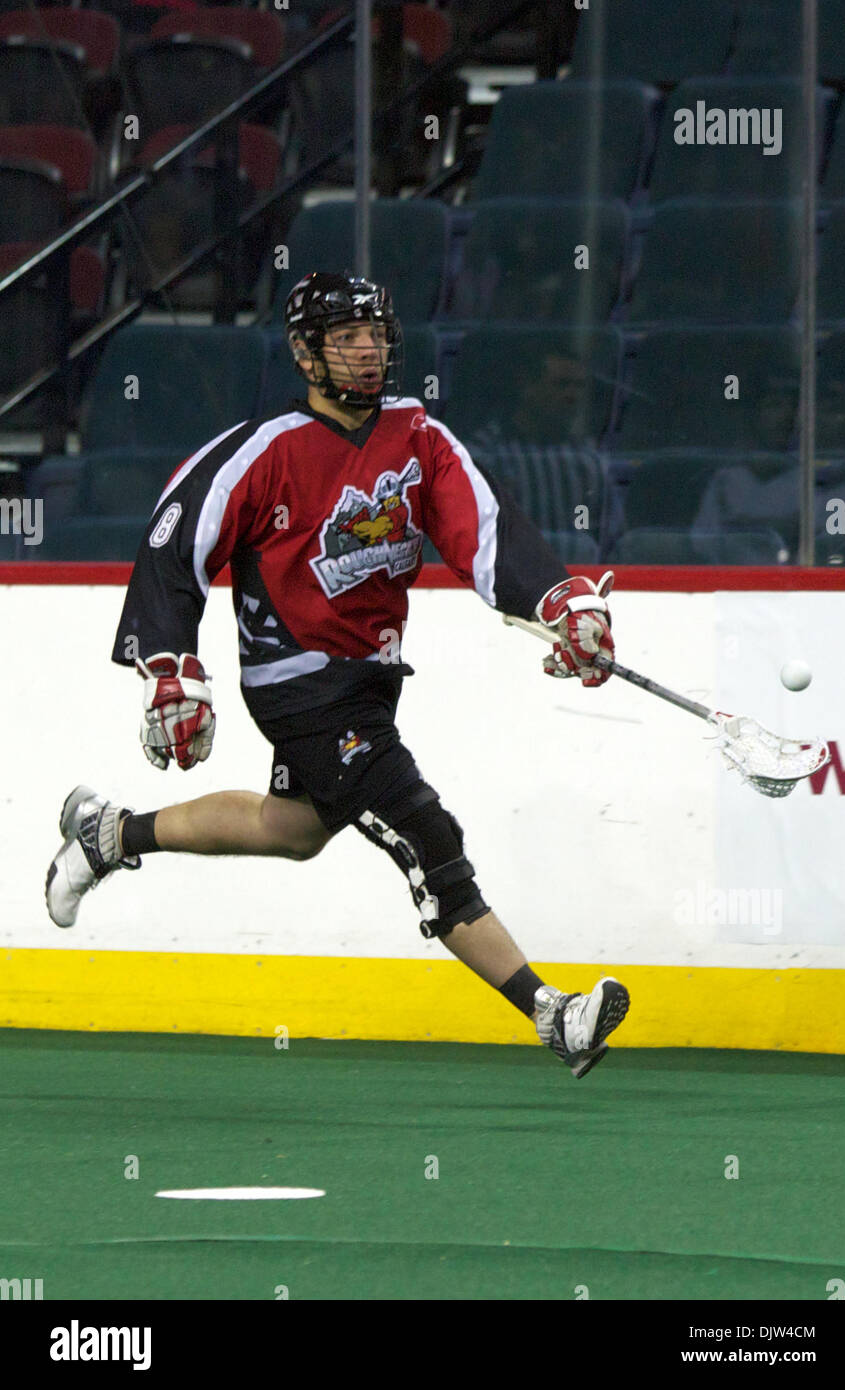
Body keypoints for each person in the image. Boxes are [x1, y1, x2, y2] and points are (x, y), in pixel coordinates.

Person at [45, 271, 630, 1080]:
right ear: (304, 353)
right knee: (426, 832)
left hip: (370, 683)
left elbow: (484, 531)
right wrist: (172, 668)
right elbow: (175, 543)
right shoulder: (266, 450)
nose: (367, 350)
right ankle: (548, 1012)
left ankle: (110, 834)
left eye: (376, 334)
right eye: (346, 336)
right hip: (299, 686)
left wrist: (564, 607)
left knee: (292, 830)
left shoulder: (417, 435)